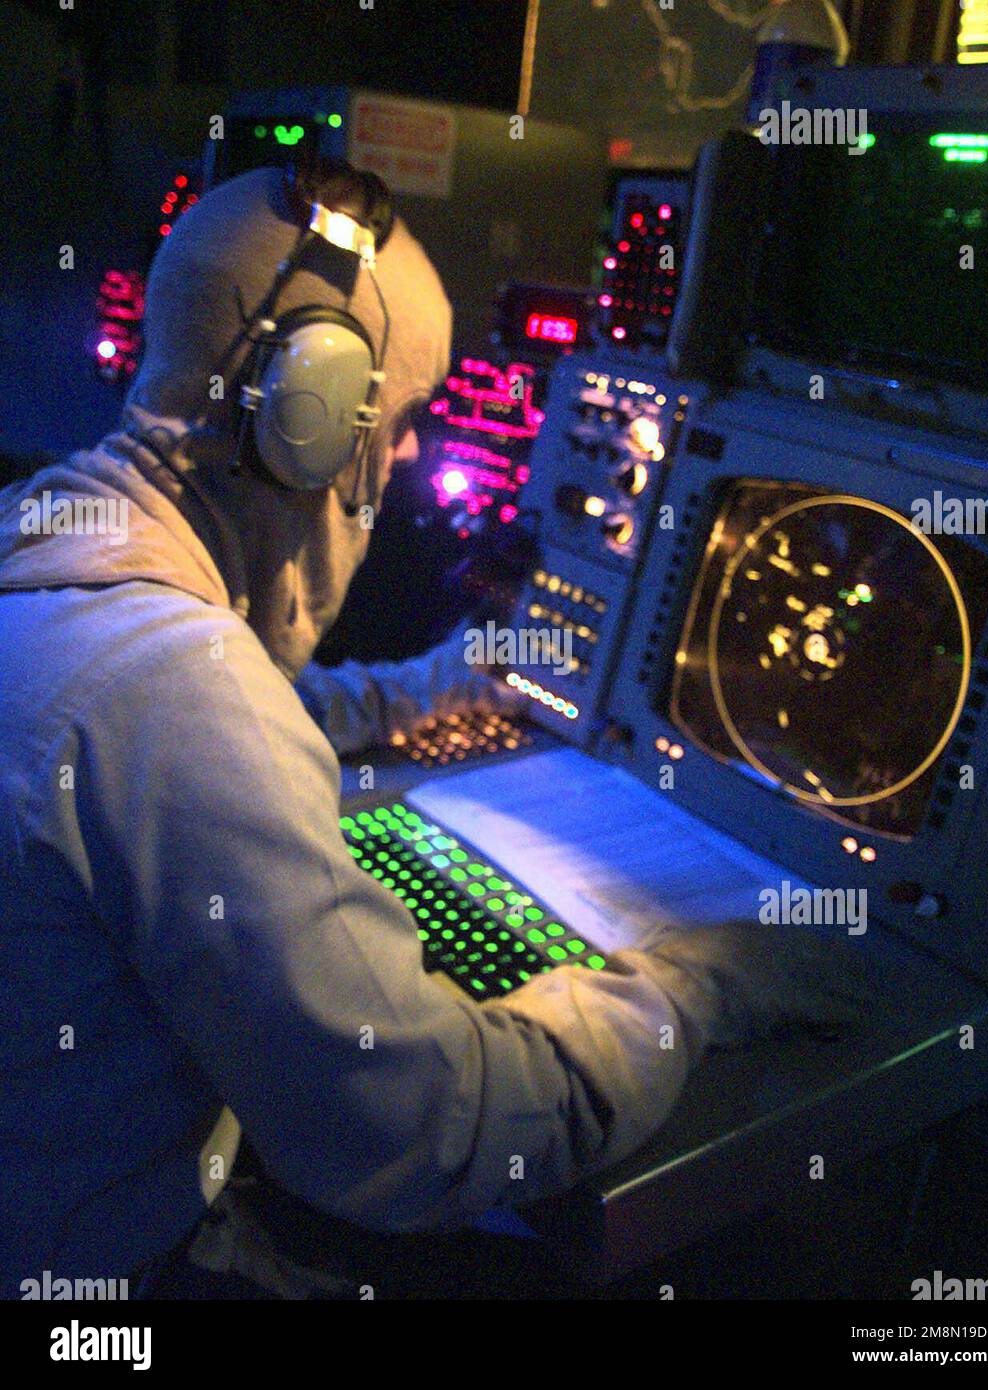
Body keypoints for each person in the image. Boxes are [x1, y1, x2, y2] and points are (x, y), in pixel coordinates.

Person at [0, 160, 872, 1299]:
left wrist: (437, 685)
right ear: (308, 411)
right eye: (403, 419)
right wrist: (691, 987)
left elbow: (212, 724)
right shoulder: (175, 703)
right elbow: (426, 1125)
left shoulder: (49, 542)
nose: (407, 456)